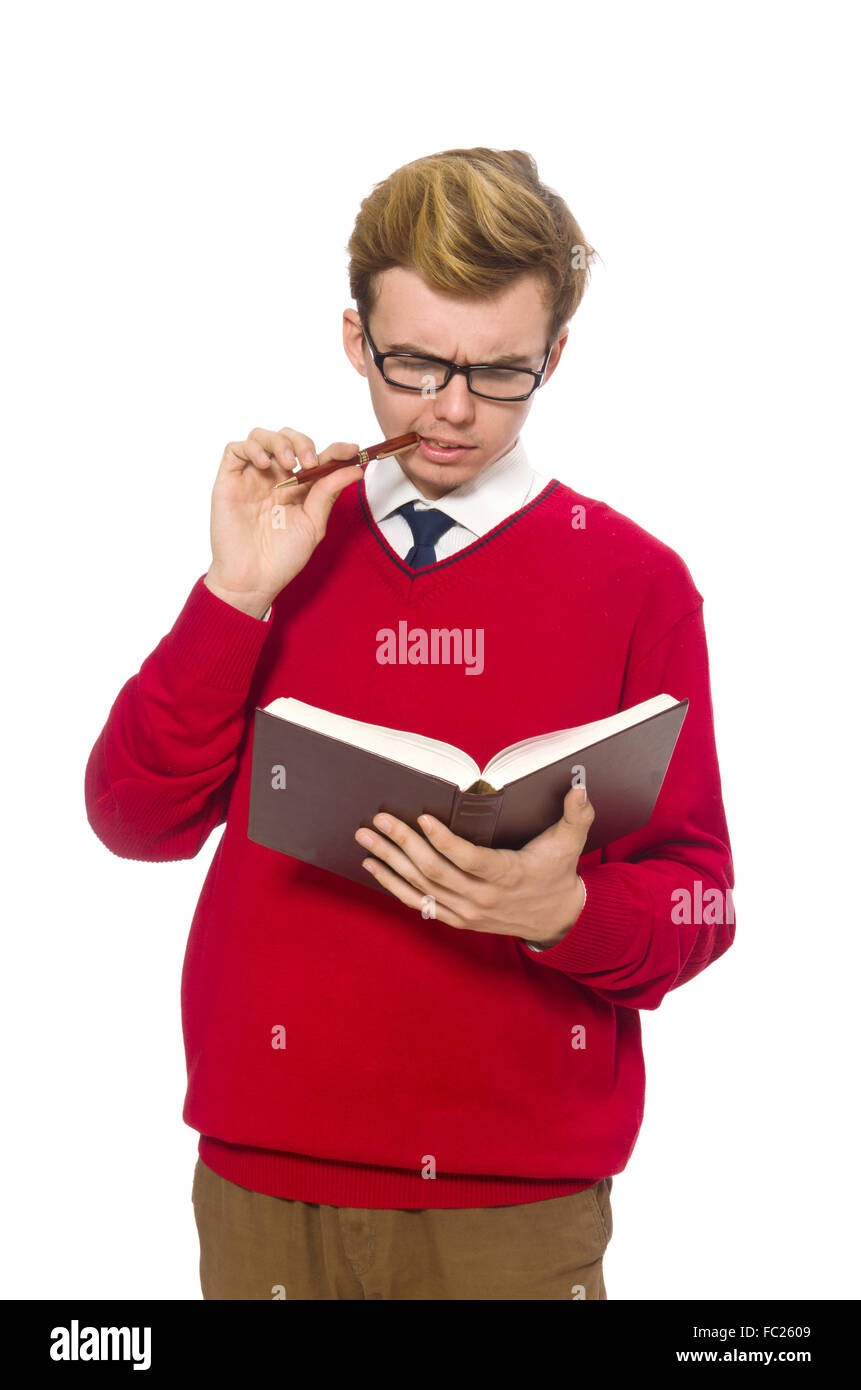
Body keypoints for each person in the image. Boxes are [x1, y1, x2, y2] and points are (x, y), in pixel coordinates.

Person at [84, 147, 735, 1301]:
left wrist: (568, 910)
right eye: (415, 361)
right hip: (262, 1183)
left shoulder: (639, 584)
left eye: (499, 373)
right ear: (353, 339)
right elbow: (133, 819)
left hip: (515, 1209)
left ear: (558, 357)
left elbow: (701, 895)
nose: (449, 408)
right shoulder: (285, 540)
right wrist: (234, 595)